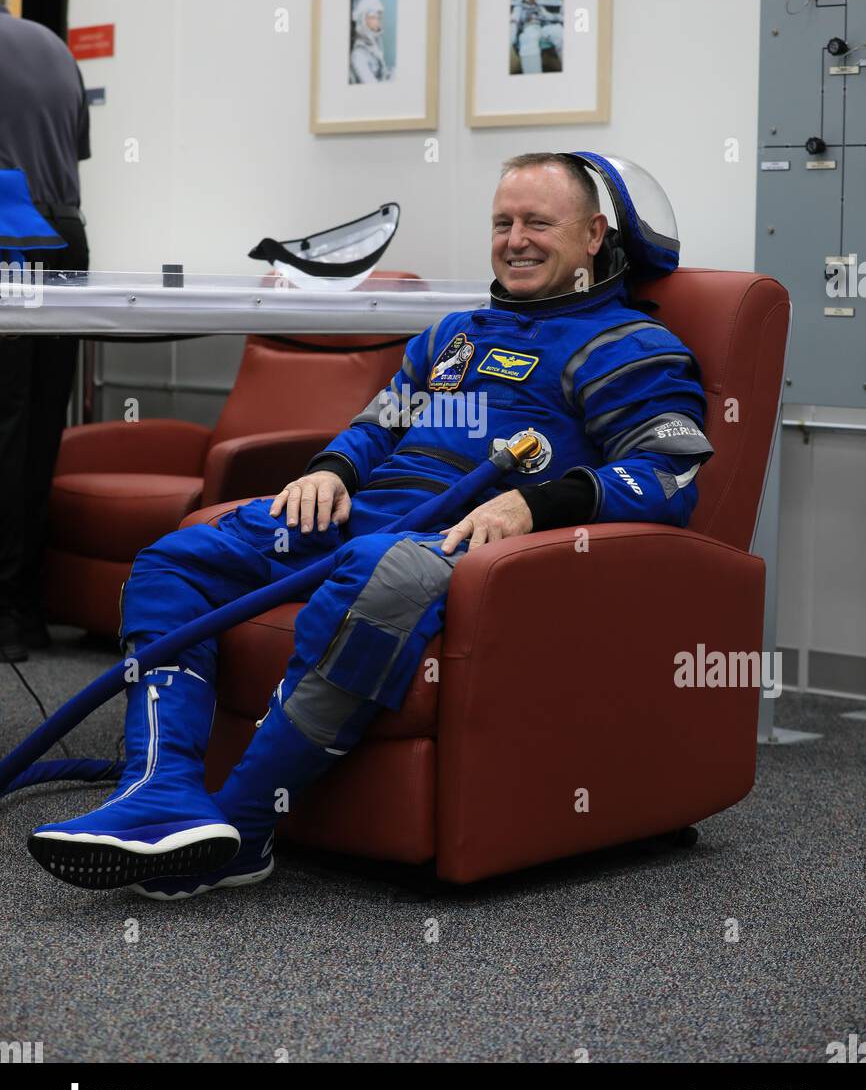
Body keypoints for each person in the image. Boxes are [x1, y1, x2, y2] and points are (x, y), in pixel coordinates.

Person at [28, 152, 713, 898]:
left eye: (538, 222)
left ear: (593, 237)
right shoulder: (457, 334)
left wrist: (534, 504)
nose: (515, 238)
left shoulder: (628, 347)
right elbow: (378, 423)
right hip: (369, 513)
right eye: (502, 222)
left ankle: (244, 826)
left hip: (463, 544)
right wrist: (331, 471)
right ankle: (159, 794)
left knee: (382, 570)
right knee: (174, 557)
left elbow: (667, 475)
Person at [0, 0, 91, 661]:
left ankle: (3, 618)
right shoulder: (56, 48)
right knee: (39, 430)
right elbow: (72, 156)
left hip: (6, 231)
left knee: (3, 427)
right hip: (65, 239)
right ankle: (26, 610)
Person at [510, 0, 564, 74]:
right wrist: (511, 37)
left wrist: (561, 17)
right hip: (528, 29)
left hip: (541, 28)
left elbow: (548, 16)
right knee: (529, 37)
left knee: (558, 30)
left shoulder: (538, 6)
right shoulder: (519, 7)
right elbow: (514, 21)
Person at [349, 0, 391, 83]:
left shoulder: (375, 43)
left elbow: (384, 73)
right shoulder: (358, 55)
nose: (377, 20)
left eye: (378, 16)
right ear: (363, 20)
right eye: (372, 17)